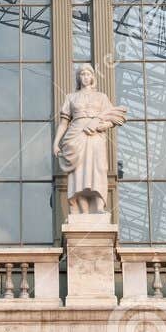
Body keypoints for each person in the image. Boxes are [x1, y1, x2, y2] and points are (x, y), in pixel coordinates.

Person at [54, 63, 127, 217]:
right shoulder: (70, 97)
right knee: (78, 172)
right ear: (78, 78)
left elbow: (113, 118)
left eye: (88, 74)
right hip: (76, 134)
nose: (85, 77)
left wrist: (103, 126)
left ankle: (99, 205)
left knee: (98, 168)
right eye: (82, 74)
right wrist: (56, 143)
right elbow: (63, 123)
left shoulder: (101, 97)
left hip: (96, 136)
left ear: (93, 77)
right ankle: (82, 208)